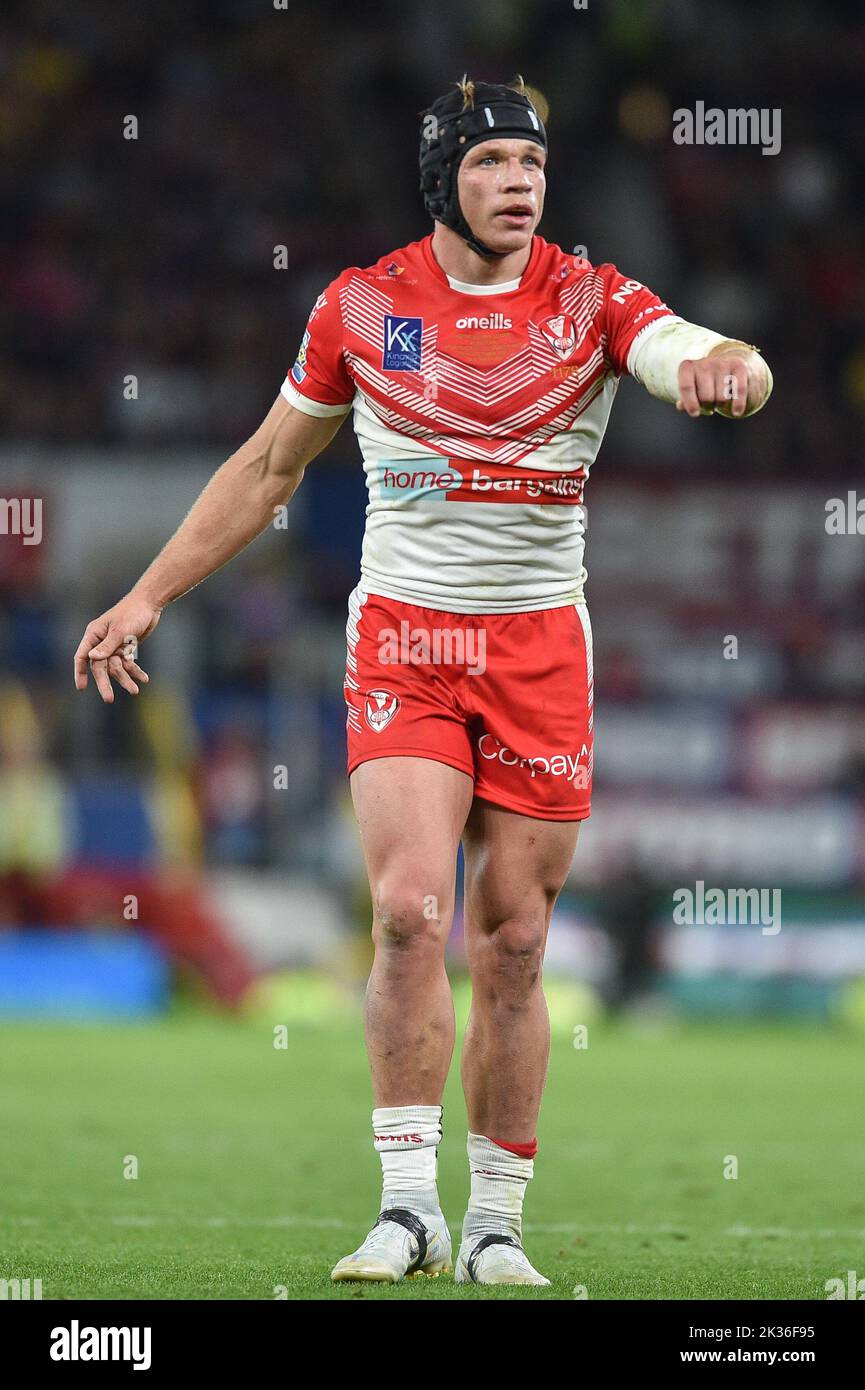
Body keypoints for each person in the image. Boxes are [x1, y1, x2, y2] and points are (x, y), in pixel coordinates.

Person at [74, 77, 773, 1286]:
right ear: (442, 176)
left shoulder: (593, 298)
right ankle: (409, 1209)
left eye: (533, 166)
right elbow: (265, 468)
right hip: (406, 642)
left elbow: (703, 353)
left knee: (512, 941)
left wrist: (734, 371)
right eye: (493, 162)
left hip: (542, 650)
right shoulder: (361, 305)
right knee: (408, 910)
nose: (519, 184)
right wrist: (147, 596)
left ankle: (496, 1219)